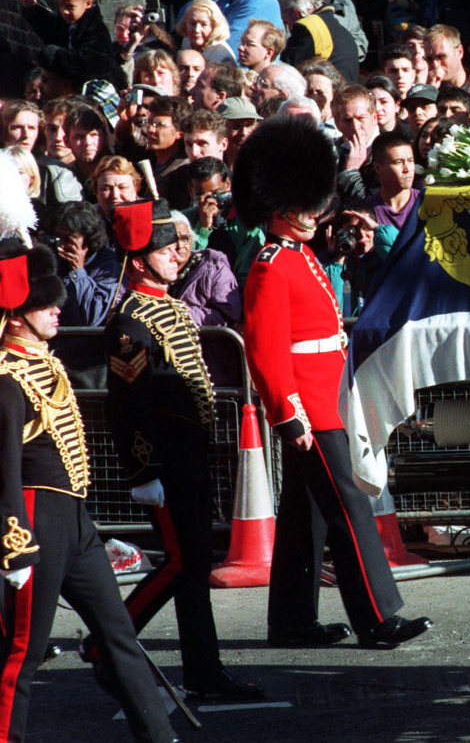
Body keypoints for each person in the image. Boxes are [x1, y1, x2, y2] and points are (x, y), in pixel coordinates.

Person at [233, 115, 432, 648]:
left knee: (306, 518)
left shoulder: (300, 256)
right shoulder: (273, 263)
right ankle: (378, 617)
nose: (311, 211)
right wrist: (288, 413)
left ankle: (292, 621)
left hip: (326, 401)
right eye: (303, 204)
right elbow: (266, 350)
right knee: (349, 507)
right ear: (281, 206)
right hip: (309, 410)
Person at [0, 234, 180, 743]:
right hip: (35, 520)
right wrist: (14, 547)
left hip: (74, 519)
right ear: (16, 316)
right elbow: (4, 471)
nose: (58, 311)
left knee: (118, 634)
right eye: (45, 306)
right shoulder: (6, 379)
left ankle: (159, 736)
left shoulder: (45, 362)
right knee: (23, 653)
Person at [100, 198, 261, 700]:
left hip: (190, 456)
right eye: (166, 247)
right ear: (140, 257)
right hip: (164, 462)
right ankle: (108, 642)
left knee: (193, 565)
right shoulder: (130, 322)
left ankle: (204, 673)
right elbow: (129, 406)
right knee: (177, 563)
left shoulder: (167, 306)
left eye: (179, 245)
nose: (177, 253)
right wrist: (143, 470)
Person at [16, 0, 128, 92]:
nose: (64, 11)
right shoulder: (71, 23)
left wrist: (54, 55)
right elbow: (51, 32)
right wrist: (34, 9)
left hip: (98, 90)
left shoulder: (95, 31)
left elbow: (90, 65)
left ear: (88, 4)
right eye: (61, 6)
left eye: (70, 7)